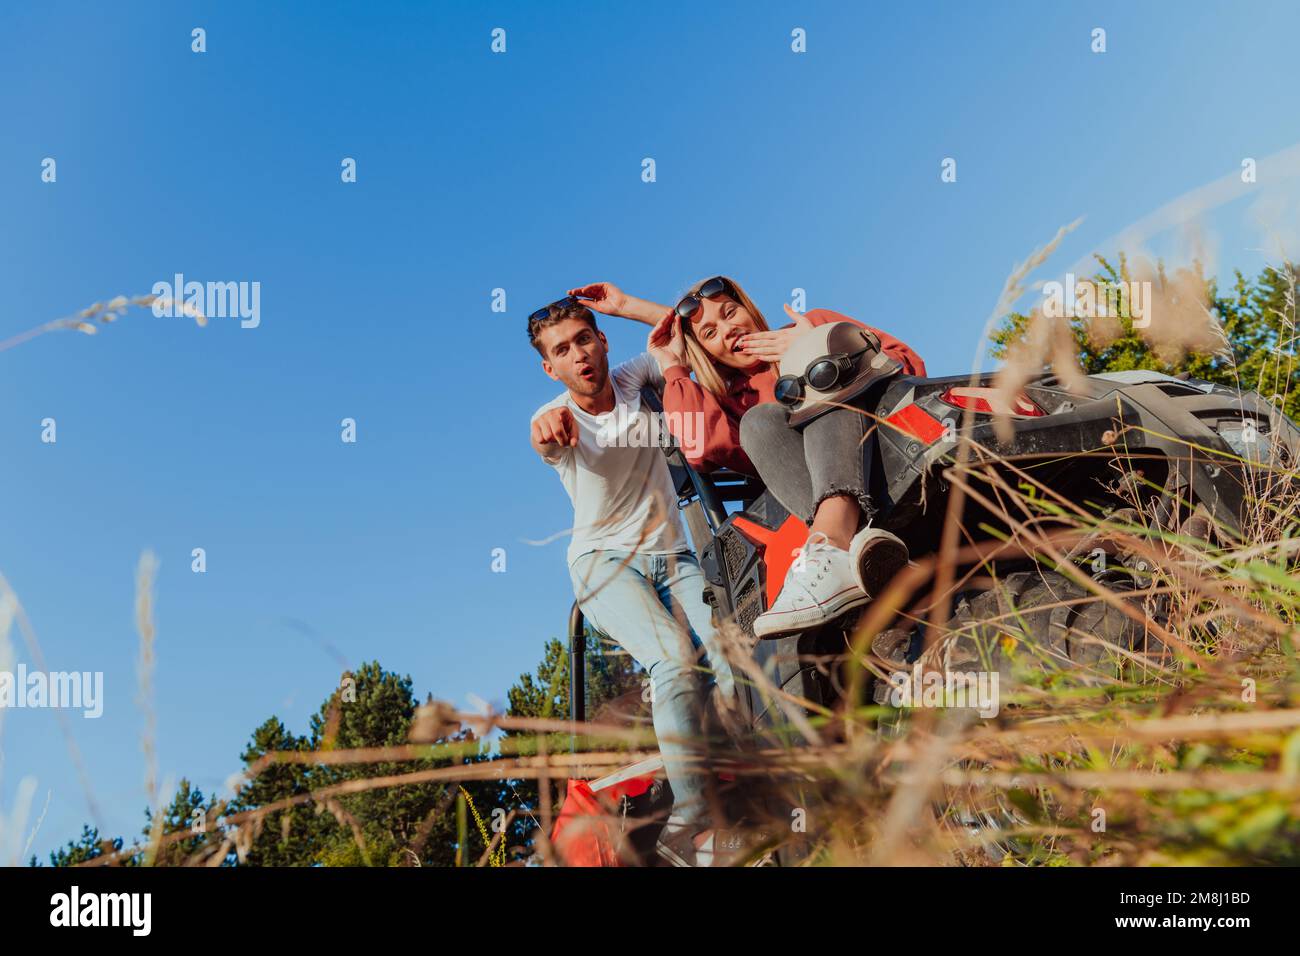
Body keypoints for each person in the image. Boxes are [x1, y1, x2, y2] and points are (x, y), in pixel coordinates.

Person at [568, 278, 927, 638]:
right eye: (710, 333)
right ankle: (864, 555)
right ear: (704, 352)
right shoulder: (730, 401)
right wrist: (673, 365)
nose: (728, 330)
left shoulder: (809, 325)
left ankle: (832, 545)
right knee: (758, 422)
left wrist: (818, 345)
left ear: (749, 309)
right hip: (808, 499)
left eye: (730, 312)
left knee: (818, 365)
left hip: (887, 459)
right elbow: (699, 446)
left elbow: (909, 366)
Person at [526, 295, 737, 866]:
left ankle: (747, 788)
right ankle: (691, 829)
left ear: (603, 341)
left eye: (585, 339)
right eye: (562, 350)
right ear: (552, 368)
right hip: (603, 563)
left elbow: (681, 330)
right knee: (671, 658)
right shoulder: (556, 419)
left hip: (675, 559)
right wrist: (546, 433)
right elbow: (544, 440)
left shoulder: (634, 376)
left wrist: (622, 302)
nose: (579, 355)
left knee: (731, 653)